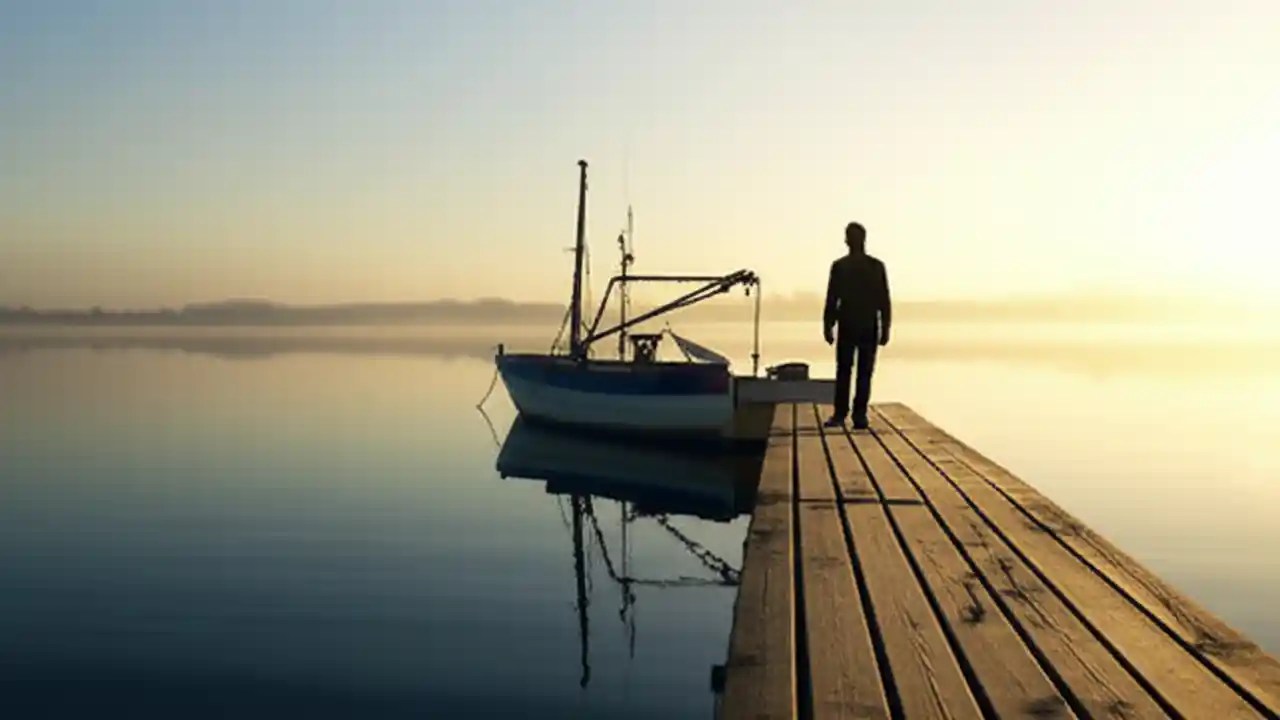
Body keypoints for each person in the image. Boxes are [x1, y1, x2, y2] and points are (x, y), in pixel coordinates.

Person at [823, 222, 891, 429]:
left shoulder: (849, 266)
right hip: (860, 324)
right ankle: (854, 414)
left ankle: (847, 413)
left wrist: (828, 324)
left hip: (856, 324)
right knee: (859, 371)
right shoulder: (868, 266)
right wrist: (828, 324)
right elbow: (833, 298)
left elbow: (883, 299)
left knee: (850, 371)